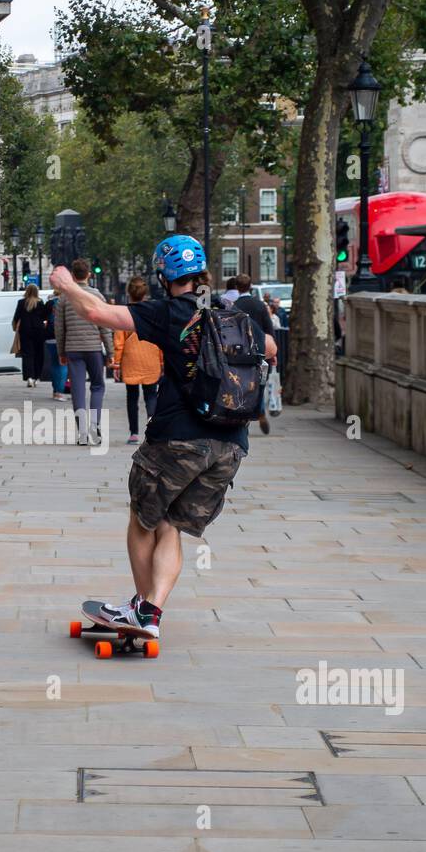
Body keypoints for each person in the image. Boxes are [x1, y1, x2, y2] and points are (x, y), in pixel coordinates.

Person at [49, 235, 276, 640]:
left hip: (177, 438)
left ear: (163, 275)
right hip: (229, 443)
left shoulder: (170, 312)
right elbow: (270, 347)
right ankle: (150, 609)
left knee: (141, 520)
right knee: (171, 524)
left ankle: (142, 611)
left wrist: (67, 285)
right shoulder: (231, 311)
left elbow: (99, 313)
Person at [53, 259, 112, 444]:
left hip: (73, 349)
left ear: (73, 275)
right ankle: (95, 428)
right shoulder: (97, 295)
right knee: (97, 386)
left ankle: (82, 434)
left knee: (77, 390)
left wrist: (61, 351)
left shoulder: (64, 298)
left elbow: (59, 328)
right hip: (93, 348)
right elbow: (105, 326)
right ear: (88, 275)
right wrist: (110, 352)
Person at [113, 276, 163, 445]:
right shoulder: (155, 312)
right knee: (151, 396)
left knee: (132, 397)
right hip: (151, 357)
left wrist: (117, 363)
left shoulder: (125, 313)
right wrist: (162, 360)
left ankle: (133, 433)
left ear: (129, 293)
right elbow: (161, 338)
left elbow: (119, 342)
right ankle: (152, 428)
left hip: (131, 358)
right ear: (145, 293)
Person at [231, 274, 276, 434]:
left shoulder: (234, 306)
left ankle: (245, 416)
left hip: (241, 354)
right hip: (260, 352)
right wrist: (273, 352)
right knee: (259, 384)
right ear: (250, 286)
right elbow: (268, 330)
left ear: (237, 287)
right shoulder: (260, 305)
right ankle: (260, 410)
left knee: (242, 386)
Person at [12, 284, 48, 387]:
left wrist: (15, 328)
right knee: (38, 354)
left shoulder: (21, 302)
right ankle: (36, 377)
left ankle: (29, 377)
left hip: (25, 331)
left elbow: (16, 317)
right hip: (39, 331)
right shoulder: (40, 302)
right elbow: (44, 316)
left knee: (27, 355)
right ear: (37, 292)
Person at [43, 288, 68, 401]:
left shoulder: (49, 303)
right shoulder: (67, 302)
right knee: (63, 364)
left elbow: (42, 318)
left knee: (54, 364)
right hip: (63, 337)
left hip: (50, 336)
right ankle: (59, 391)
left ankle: (55, 390)